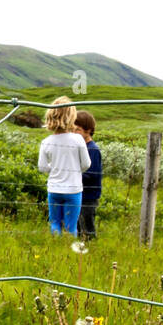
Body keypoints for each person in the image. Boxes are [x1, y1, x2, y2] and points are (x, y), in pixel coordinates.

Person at [37, 95, 89, 236]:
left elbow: (42, 168)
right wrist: (75, 170)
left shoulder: (46, 141)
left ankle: (55, 248)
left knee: (54, 222)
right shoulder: (78, 139)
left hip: (54, 189)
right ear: (71, 116)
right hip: (73, 190)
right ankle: (69, 252)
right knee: (71, 226)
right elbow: (86, 164)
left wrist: (54, 169)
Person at [75, 109, 102, 239]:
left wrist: (72, 175)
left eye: (78, 129)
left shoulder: (93, 149)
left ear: (89, 129)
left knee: (87, 225)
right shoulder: (79, 147)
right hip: (78, 193)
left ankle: (91, 248)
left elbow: (92, 174)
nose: (74, 133)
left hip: (88, 196)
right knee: (78, 226)